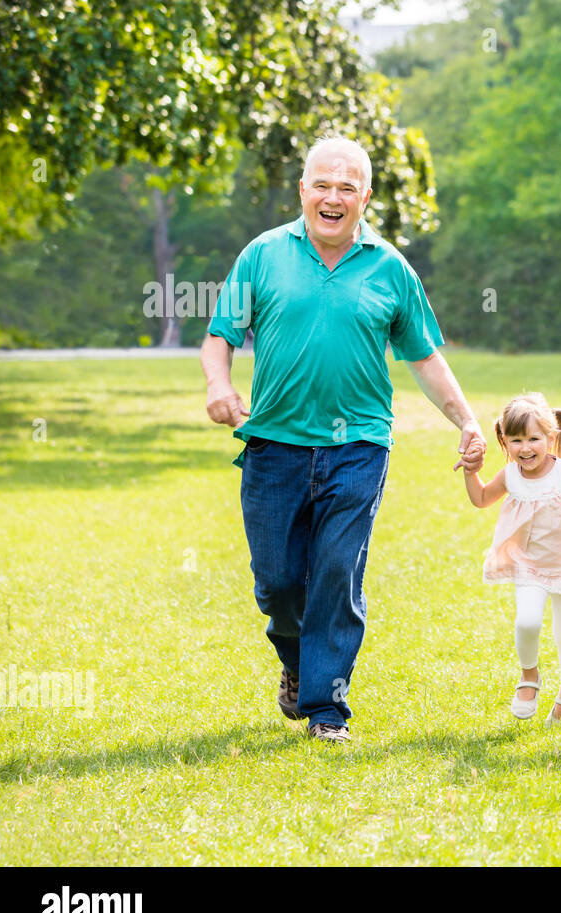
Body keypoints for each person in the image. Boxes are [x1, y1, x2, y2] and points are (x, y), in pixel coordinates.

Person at [200, 136, 486, 743]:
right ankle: (298, 663)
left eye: (347, 187)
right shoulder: (264, 255)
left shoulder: (390, 268)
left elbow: (425, 357)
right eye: (322, 185)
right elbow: (220, 334)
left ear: (366, 197)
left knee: (336, 571)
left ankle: (327, 709)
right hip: (275, 443)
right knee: (278, 581)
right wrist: (218, 384)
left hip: (359, 446)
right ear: (302, 190)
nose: (333, 197)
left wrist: (464, 418)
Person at [464, 394, 561, 726]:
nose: (526, 447)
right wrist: (471, 471)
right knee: (527, 622)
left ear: (551, 437)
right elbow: (480, 498)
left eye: (534, 438)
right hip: (527, 564)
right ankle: (529, 678)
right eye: (516, 440)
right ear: (504, 440)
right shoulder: (510, 475)